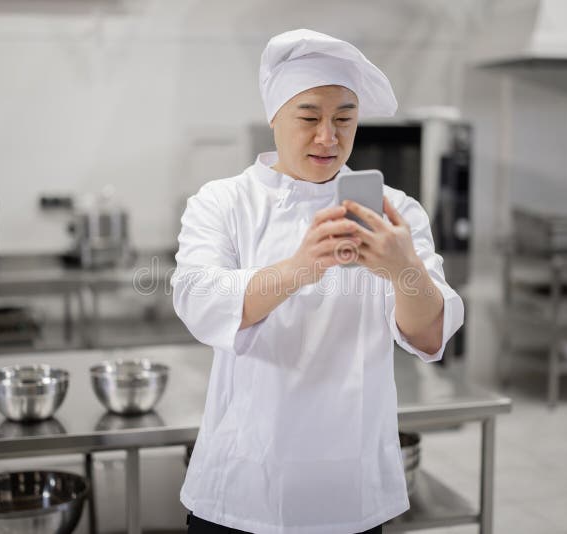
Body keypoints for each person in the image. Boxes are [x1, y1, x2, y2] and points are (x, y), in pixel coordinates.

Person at [172, 29, 464, 534]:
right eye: (309, 118)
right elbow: (197, 300)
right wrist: (301, 266)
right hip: (244, 483)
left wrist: (402, 269)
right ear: (274, 117)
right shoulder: (222, 202)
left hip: (349, 487)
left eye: (344, 120)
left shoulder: (398, 213)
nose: (328, 137)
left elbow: (430, 335)